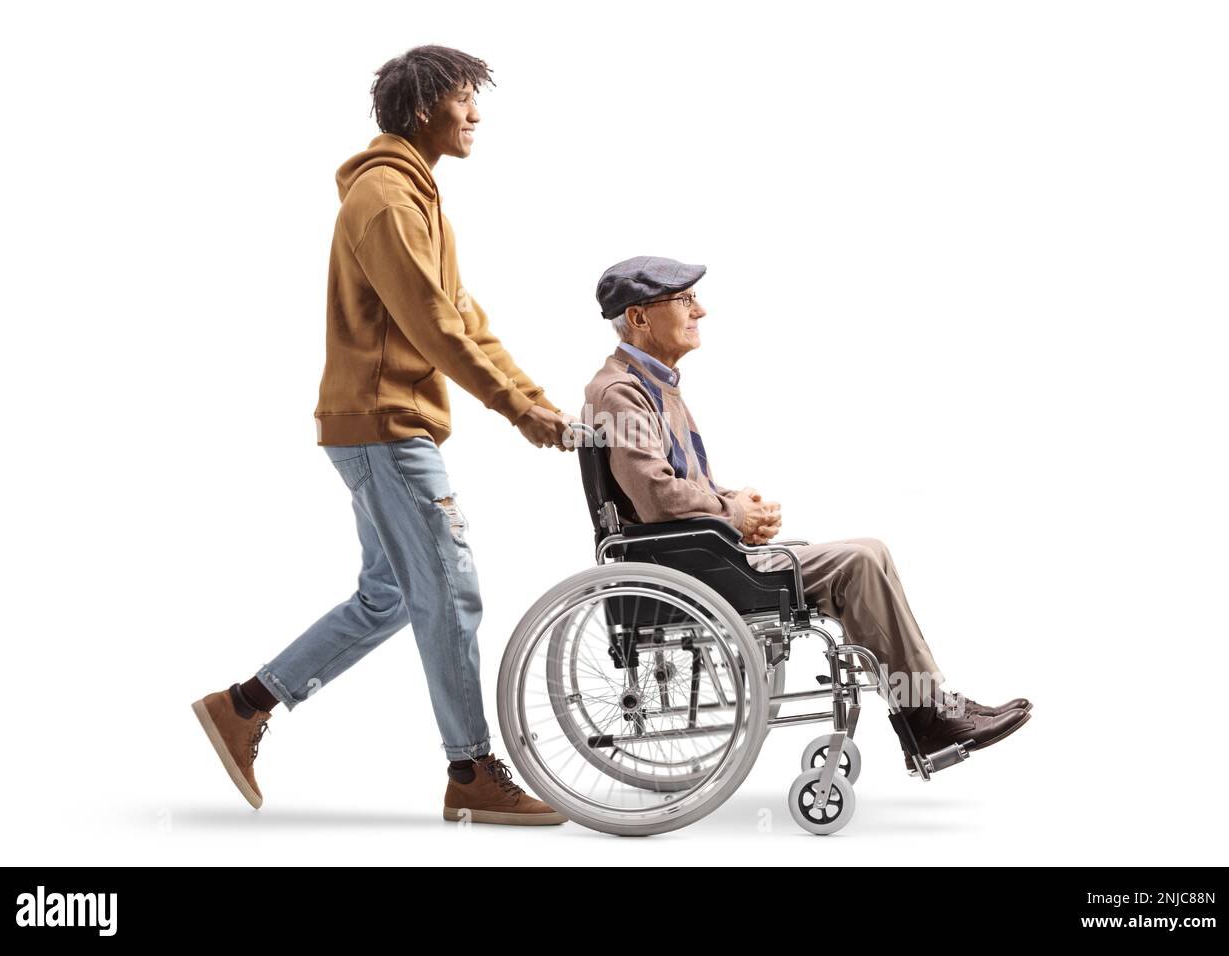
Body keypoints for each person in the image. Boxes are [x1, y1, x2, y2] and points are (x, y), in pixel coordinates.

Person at [192, 46, 571, 825]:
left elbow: (465, 320)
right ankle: (469, 771)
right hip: (387, 428)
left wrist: (536, 401)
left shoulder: (418, 198)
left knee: (392, 593)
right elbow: (434, 328)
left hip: (380, 426)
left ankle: (242, 707)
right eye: (465, 99)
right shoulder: (390, 201)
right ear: (425, 105)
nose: (476, 115)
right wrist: (512, 408)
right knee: (451, 589)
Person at [581, 256, 1033, 769]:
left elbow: (680, 485)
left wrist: (738, 503)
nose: (700, 310)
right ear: (639, 318)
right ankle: (927, 718)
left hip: (699, 554)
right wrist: (733, 513)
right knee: (857, 563)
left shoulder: (652, 384)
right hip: (685, 570)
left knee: (871, 549)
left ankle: (931, 707)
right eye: (683, 300)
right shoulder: (620, 394)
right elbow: (657, 498)